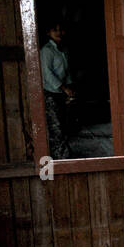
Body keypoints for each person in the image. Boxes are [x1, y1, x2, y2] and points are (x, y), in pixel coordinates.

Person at [40, 22, 73, 159]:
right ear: (48, 32)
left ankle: (64, 156)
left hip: (61, 93)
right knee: (56, 128)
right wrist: (63, 87)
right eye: (55, 30)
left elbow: (67, 70)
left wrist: (69, 86)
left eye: (61, 29)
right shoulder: (47, 50)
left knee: (64, 125)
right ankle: (59, 160)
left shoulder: (62, 49)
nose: (59, 32)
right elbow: (46, 73)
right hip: (50, 93)